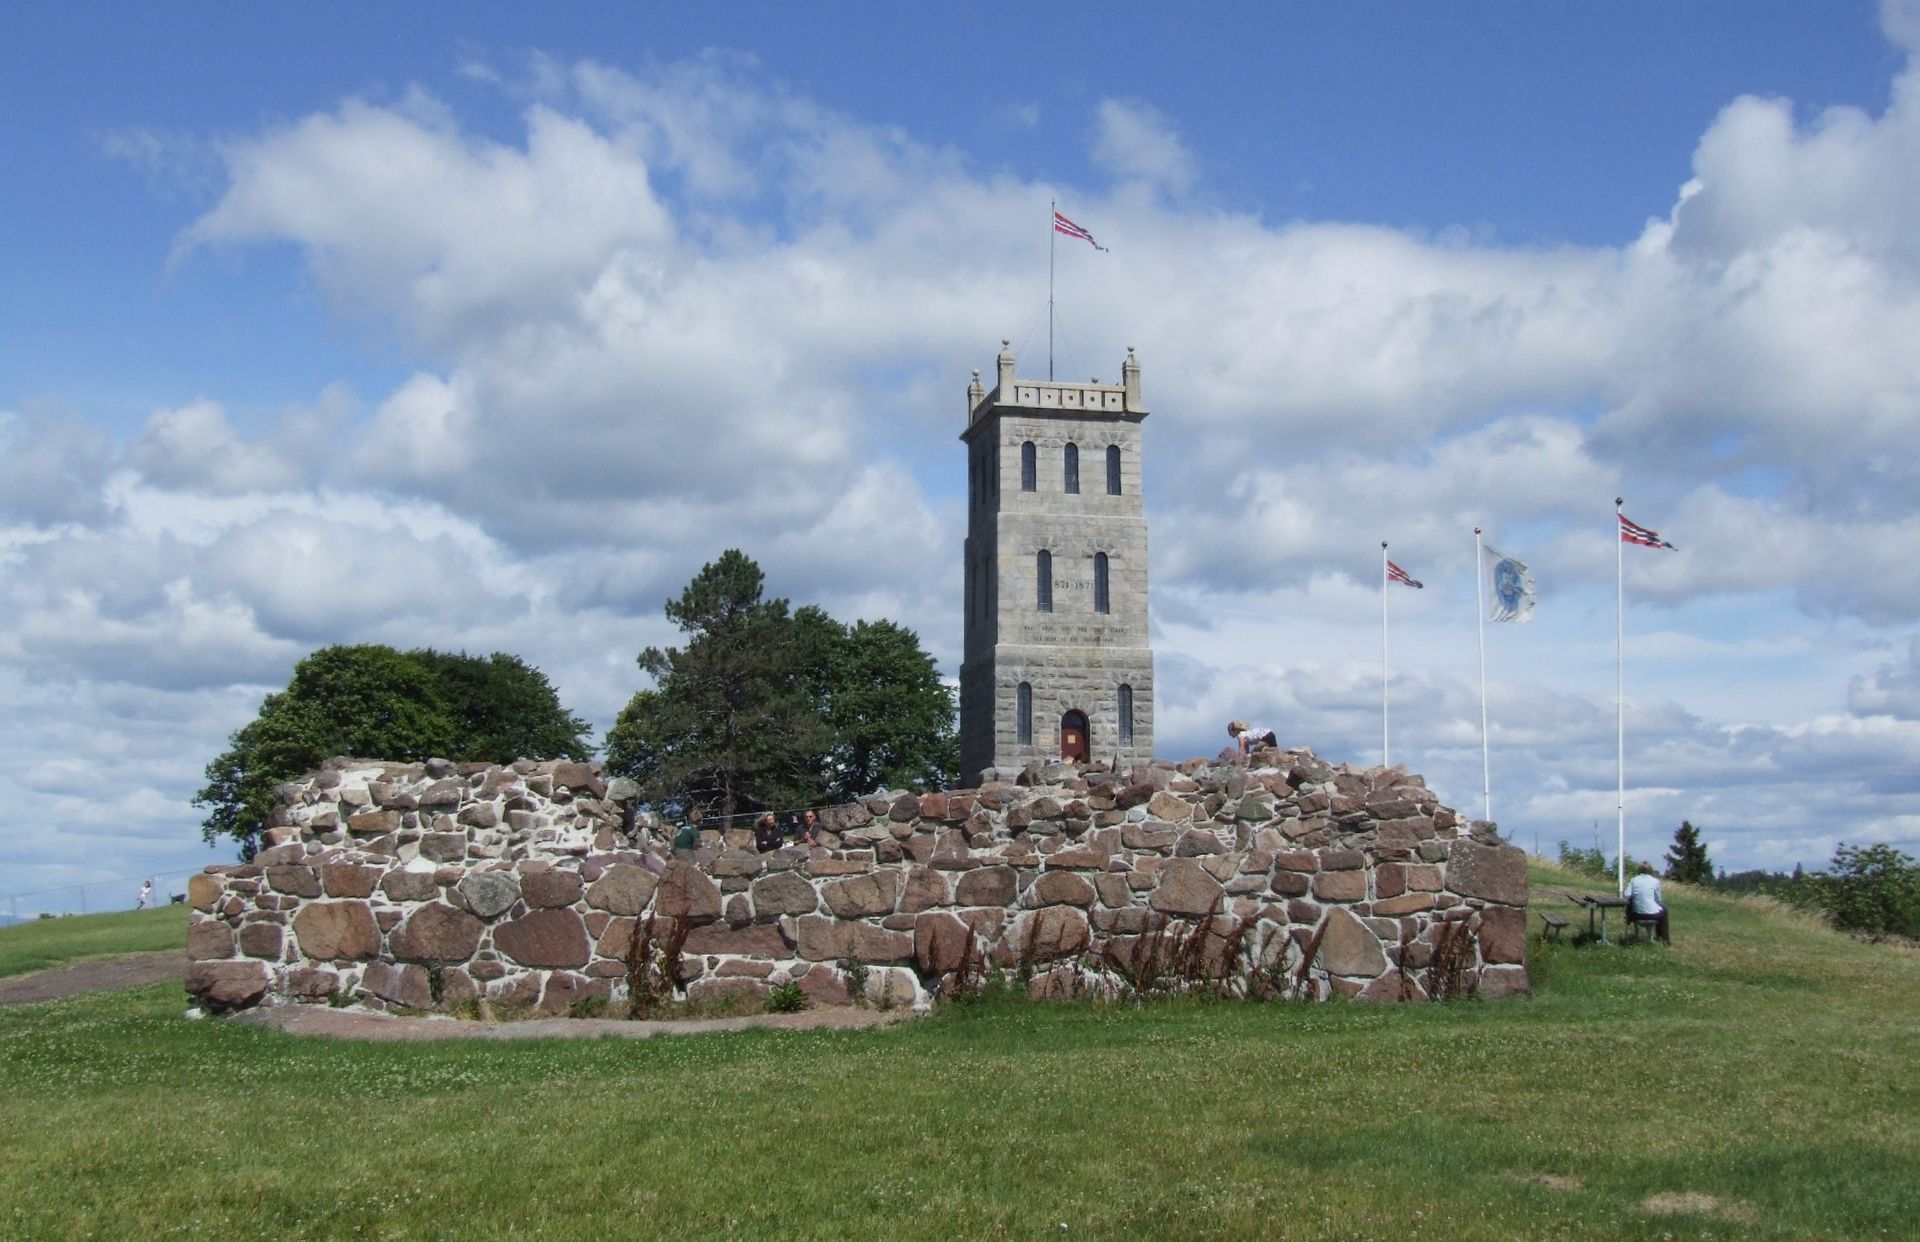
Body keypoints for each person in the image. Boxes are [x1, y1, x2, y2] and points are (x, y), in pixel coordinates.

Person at [1625, 860, 1670, 944]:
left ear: (1639, 870)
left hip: (1637, 914)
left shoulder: (1634, 880)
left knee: (1631, 903)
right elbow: (1659, 899)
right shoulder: (1655, 881)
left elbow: (1627, 894)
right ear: (1650, 870)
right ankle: (1664, 938)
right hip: (1653, 915)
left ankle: (1629, 920)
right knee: (1664, 910)